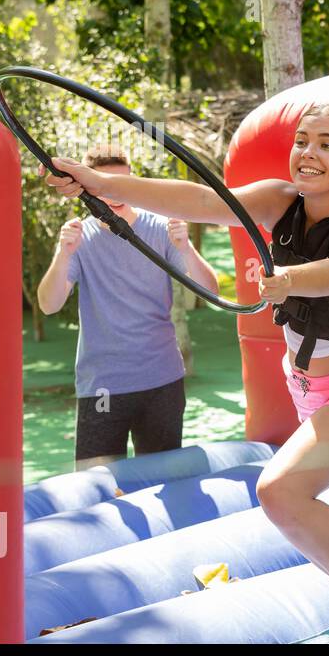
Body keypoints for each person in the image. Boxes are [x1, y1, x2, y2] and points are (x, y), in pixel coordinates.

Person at [42, 103, 329, 637]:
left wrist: (290, 279)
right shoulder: (279, 200)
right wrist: (99, 182)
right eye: (302, 140)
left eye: (327, 144)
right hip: (311, 388)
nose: (308, 152)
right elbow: (201, 200)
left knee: (281, 491)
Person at [37, 145, 220, 468]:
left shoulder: (161, 228)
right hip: (102, 384)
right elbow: (49, 305)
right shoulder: (79, 238)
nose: (115, 194)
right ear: (90, 187)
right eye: (105, 185)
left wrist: (185, 247)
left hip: (161, 380)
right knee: (96, 482)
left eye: (122, 184)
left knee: (163, 479)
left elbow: (210, 290)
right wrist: (63, 254)